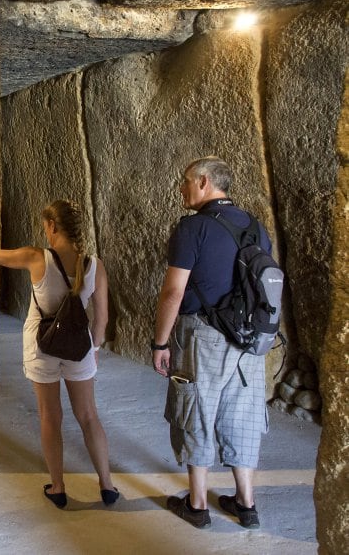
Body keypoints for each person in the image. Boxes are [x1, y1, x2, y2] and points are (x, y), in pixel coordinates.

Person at [0, 200, 118, 508]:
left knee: (50, 416)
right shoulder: (94, 265)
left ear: (52, 226)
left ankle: (58, 487)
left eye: (45, 225)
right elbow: (102, 318)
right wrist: (95, 348)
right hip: (79, 347)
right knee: (88, 416)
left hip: (42, 345)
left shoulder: (37, 257)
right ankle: (107, 485)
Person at [153, 156, 270, 530]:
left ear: (204, 182)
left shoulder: (192, 229)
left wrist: (160, 343)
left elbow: (173, 292)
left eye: (186, 181)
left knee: (195, 410)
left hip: (202, 336)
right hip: (248, 338)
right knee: (244, 414)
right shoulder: (256, 227)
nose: (182, 188)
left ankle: (198, 504)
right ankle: (245, 503)